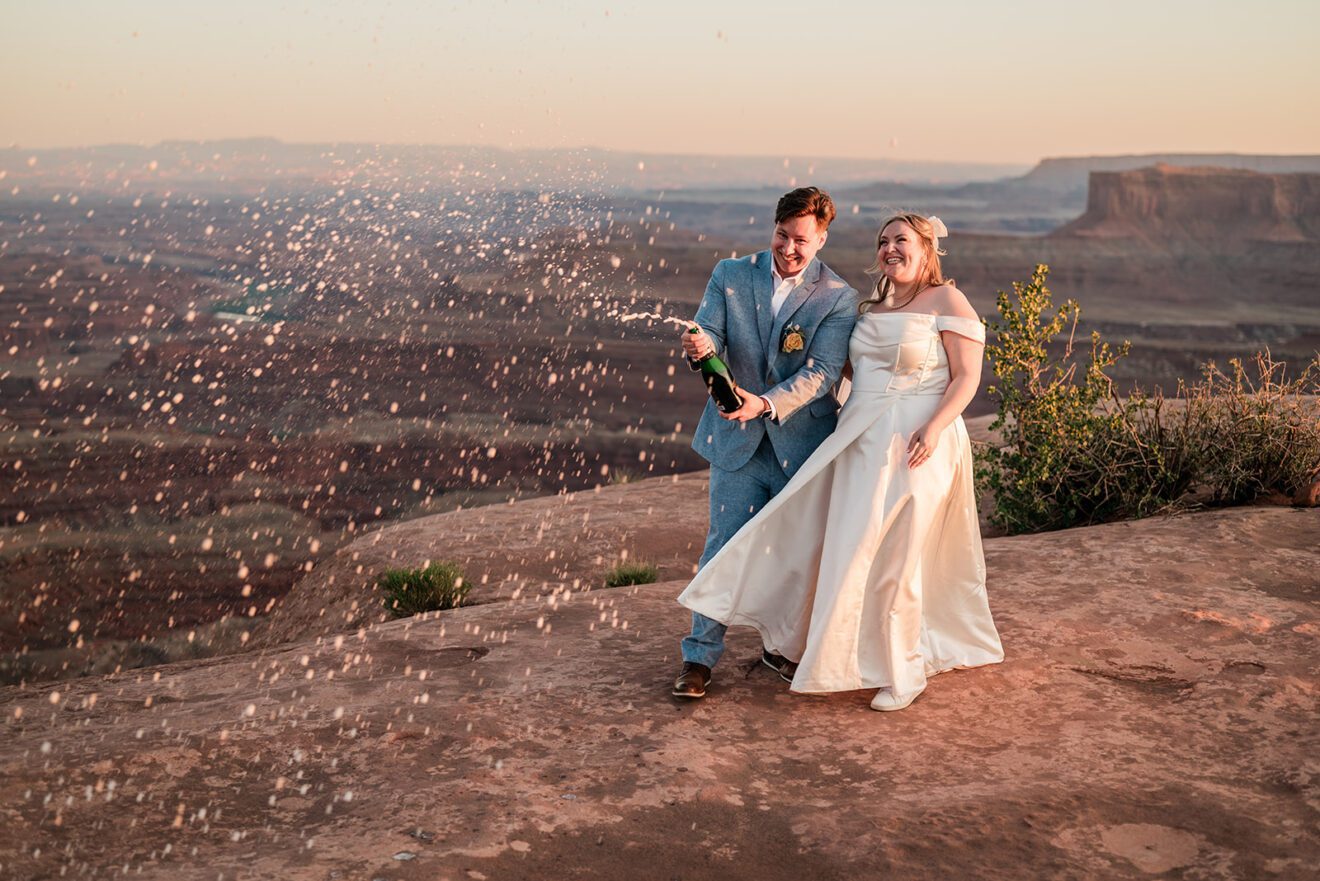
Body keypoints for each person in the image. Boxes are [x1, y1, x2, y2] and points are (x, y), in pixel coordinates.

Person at [678, 213, 1004, 711]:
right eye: (883, 241)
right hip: (857, 441)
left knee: (900, 554)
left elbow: (966, 378)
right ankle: (831, 653)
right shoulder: (870, 305)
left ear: (927, 248)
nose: (890, 248)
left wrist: (934, 429)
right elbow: (835, 368)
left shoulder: (948, 300)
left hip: (916, 443)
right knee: (849, 551)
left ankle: (904, 668)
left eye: (901, 240)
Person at [672, 186, 861, 699]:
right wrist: (699, 345)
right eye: (782, 235)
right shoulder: (730, 274)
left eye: (801, 239)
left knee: (795, 553)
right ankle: (698, 658)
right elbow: (707, 330)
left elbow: (822, 372)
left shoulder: (838, 298)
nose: (789, 248)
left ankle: (781, 649)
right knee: (721, 547)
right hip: (735, 445)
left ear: (821, 238)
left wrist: (766, 402)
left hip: (801, 446)